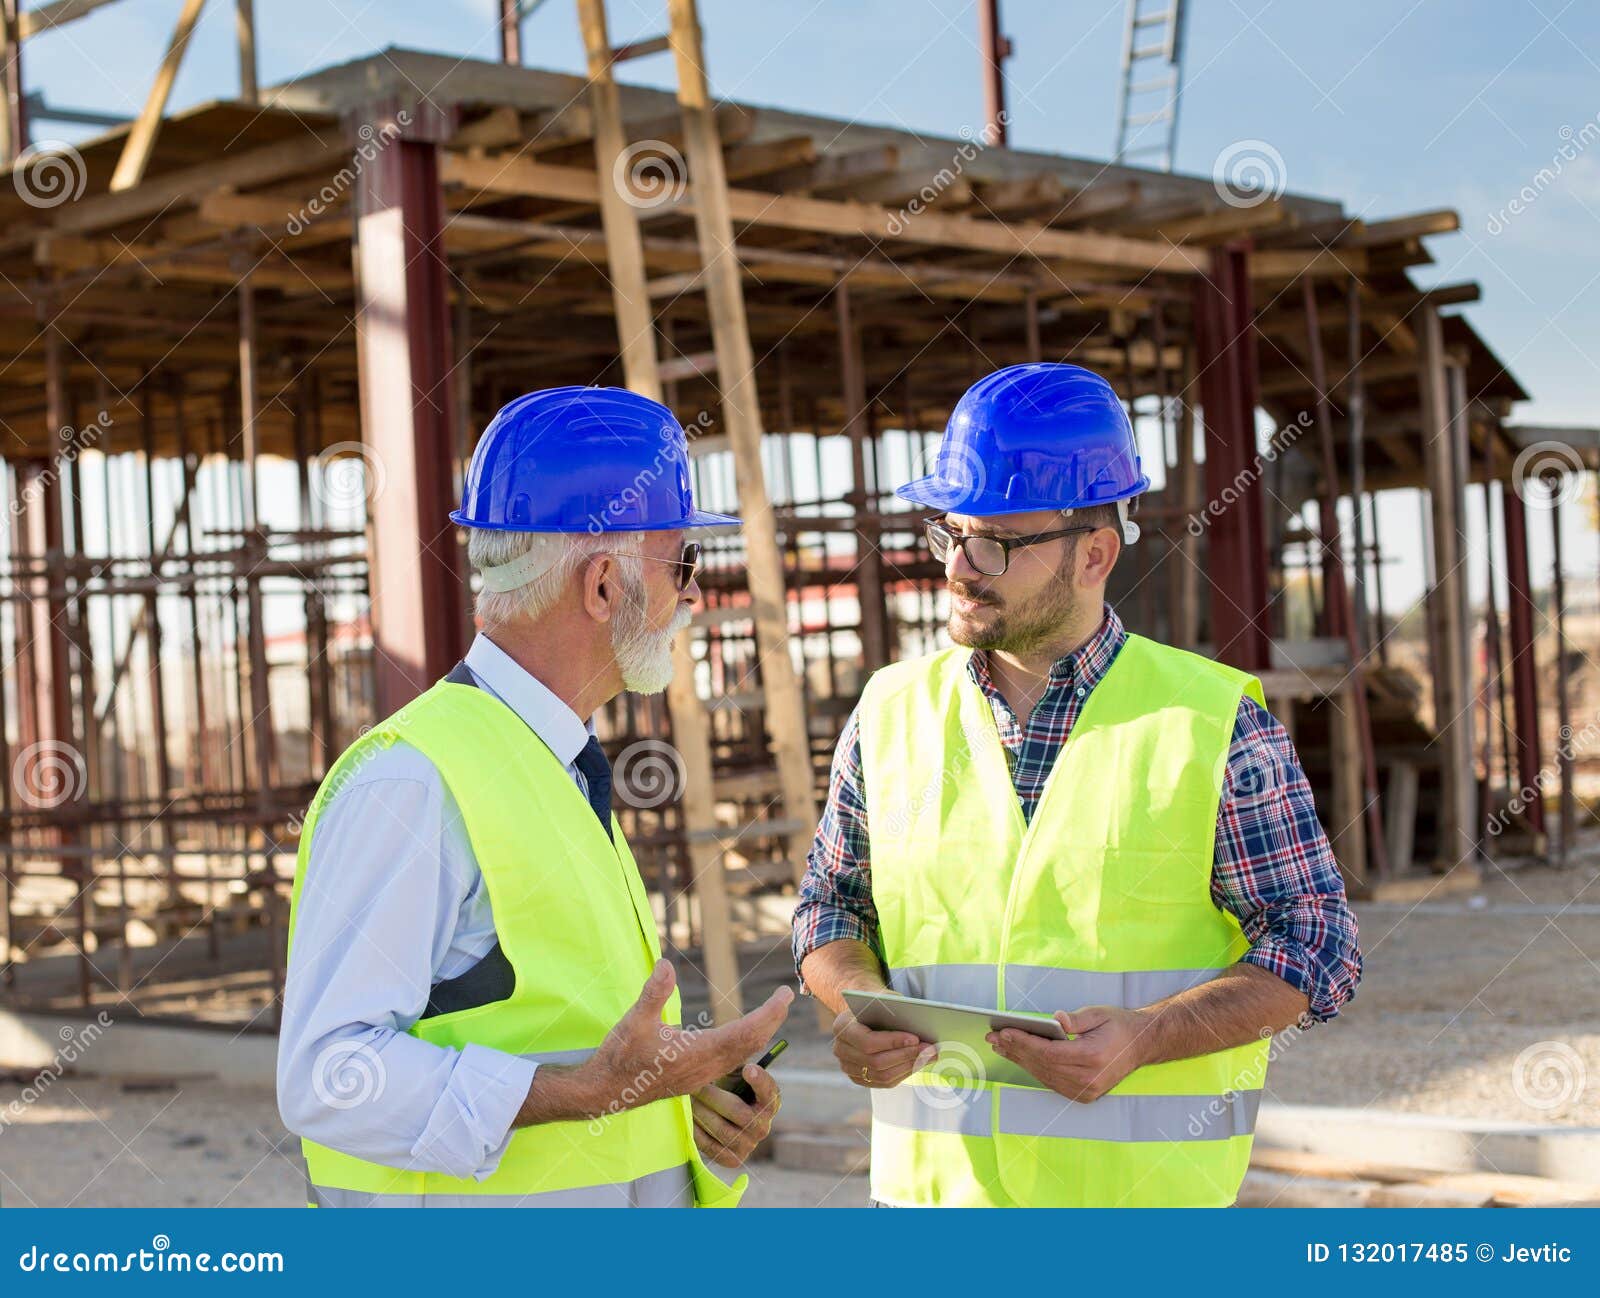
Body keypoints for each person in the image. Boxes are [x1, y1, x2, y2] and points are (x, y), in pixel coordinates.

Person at [793, 362, 1362, 1208]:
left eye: (994, 543)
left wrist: (1150, 1036)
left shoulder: (1212, 722)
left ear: (1095, 552)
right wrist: (860, 1006)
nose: (957, 568)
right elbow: (829, 908)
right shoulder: (888, 712)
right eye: (950, 534)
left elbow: (1316, 944)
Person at [280, 386, 791, 1207]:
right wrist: (578, 1093)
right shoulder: (414, 781)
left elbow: (579, 1048)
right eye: (683, 565)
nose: (690, 598)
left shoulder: (558, 767)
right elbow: (327, 1076)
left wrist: (686, 1104)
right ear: (601, 585)